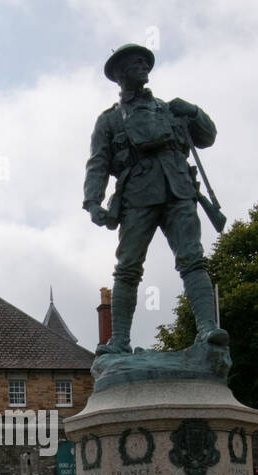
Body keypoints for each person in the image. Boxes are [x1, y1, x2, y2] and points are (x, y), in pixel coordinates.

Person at [82, 43, 227, 356]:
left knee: (193, 259)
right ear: (120, 73)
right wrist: (93, 202)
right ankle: (119, 340)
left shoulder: (171, 108)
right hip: (137, 193)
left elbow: (208, 137)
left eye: (145, 62)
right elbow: (98, 162)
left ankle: (207, 328)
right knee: (128, 267)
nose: (143, 66)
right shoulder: (108, 120)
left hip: (178, 188)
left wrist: (193, 111)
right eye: (136, 62)